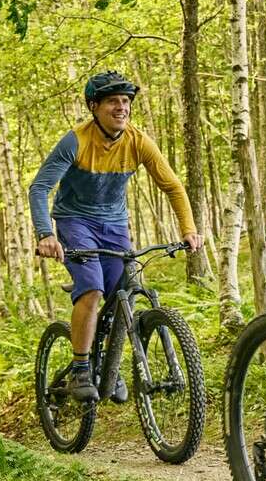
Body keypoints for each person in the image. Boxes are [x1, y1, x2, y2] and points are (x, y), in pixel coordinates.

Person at [30, 71, 202, 402]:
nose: (121, 107)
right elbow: (39, 187)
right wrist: (45, 233)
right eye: (113, 102)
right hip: (74, 222)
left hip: (115, 227)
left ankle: (108, 367)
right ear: (94, 107)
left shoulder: (138, 141)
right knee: (93, 289)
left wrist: (189, 229)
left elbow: (172, 186)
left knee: (124, 292)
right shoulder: (75, 141)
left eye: (126, 101)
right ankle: (81, 368)